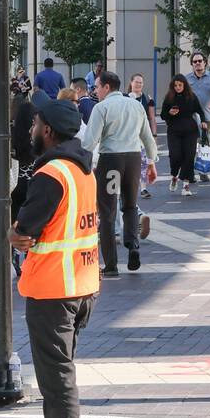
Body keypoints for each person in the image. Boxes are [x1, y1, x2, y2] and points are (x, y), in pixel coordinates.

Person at [9, 92, 99, 418]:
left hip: (53, 291)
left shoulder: (51, 176)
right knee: (57, 376)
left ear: (47, 130)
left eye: (34, 124)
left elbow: (24, 232)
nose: (30, 130)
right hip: (81, 288)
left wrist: (13, 233)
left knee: (57, 381)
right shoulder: (83, 171)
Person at [82, 71, 158, 276]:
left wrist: (81, 163)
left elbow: (89, 141)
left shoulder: (101, 108)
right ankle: (133, 245)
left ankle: (111, 264)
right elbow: (147, 137)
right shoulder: (135, 105)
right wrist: (151, 162)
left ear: (107, 87)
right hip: (133, 159)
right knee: (130, 205)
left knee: (107, 211)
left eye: (97, 87)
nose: (95, 91)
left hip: (110, 160)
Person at [161, 74, 203, 196]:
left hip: (190, 130)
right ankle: (174, 175)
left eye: (180, 85)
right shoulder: (169, 97)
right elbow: (163, 115)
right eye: (175, 85)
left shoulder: (191, 96)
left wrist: (204, 122)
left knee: (189, 157)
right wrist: (170, 112)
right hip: (174, 131)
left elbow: (200, 111)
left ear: (184, 85)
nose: (178, 87)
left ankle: (186, 186)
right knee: (175, 156)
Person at [187, 51, 210, 183]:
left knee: (203, 144)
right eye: (195, 62)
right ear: (192, 64)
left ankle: (203, 171)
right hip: (191, 118)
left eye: (200, 61)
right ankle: (189, 173)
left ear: (205, 62)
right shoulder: (187, 79)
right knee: (190, 145)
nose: (197, 63)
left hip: (207, 117)